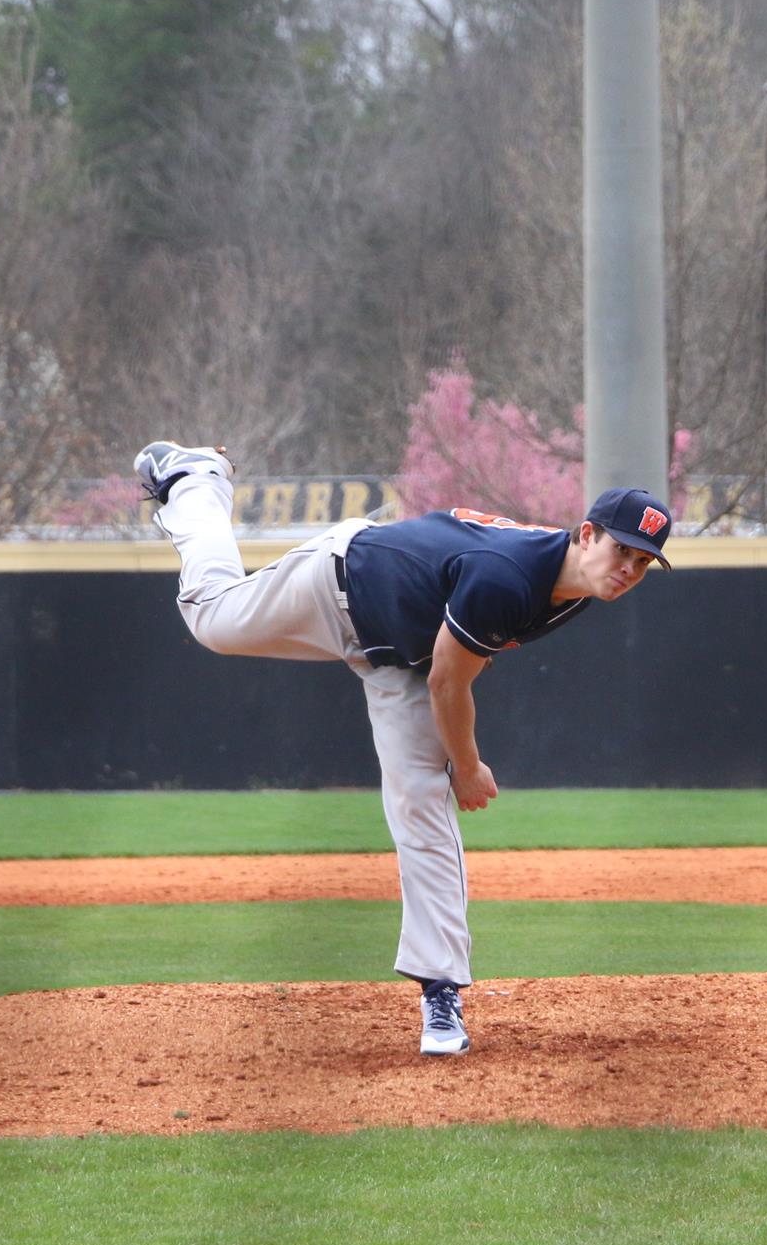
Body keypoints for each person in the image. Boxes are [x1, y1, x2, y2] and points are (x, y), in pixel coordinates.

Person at [135, 440, 673, 1056]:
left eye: (644, 561)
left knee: (422, 804)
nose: (629, 569)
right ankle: (196, 479)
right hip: (338, 584)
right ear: (586, 535)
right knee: (213, 621)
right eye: (622, 549)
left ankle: (441, 995)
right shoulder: (514, 575)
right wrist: (467, 767)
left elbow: (457, 644)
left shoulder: (578, 585)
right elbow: (451, 678)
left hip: (399, 658)